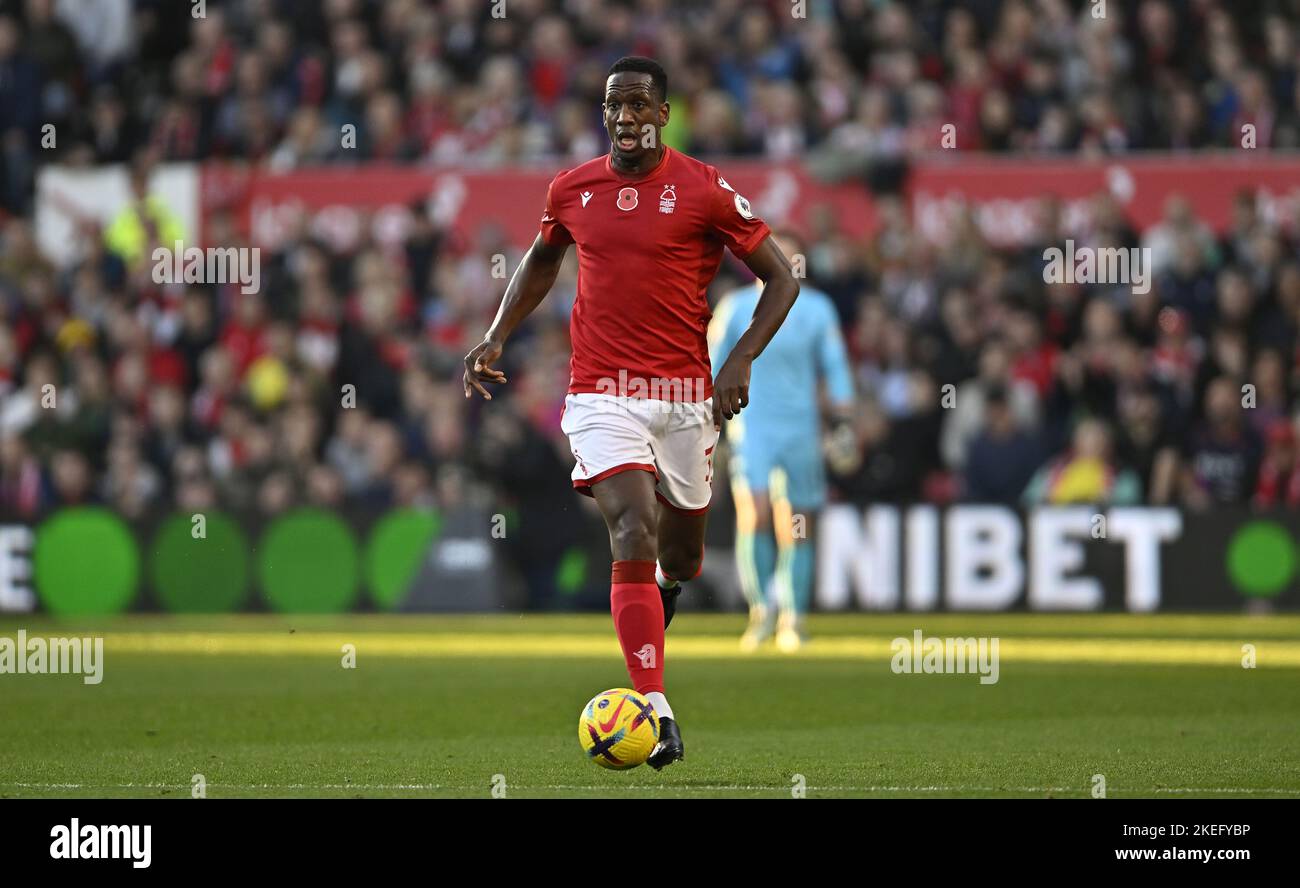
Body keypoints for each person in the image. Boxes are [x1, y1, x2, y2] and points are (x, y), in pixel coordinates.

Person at [463, 57, 799, 769]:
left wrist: (738, 360)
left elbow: (780, 277)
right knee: (630, 522)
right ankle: (655, 703)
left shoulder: (704, 189)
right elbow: (541, 260)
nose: (626, 117)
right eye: (615, 105)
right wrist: (497, 333)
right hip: (599, 393)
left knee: (679, 554)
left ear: (664, 114)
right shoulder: (572, 188)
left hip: (685, 400)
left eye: (640, 104)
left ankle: (663, 593)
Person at [708, 230, 853, 651]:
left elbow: (836, 367)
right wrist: (708, 425)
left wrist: (842, 419)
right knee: (754, 515)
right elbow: (711, 365)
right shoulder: (734, 308)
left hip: (801, 428)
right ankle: (761, 611)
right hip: (750, 425)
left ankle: (793, 614)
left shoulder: (817, 309)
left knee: (797, 524)